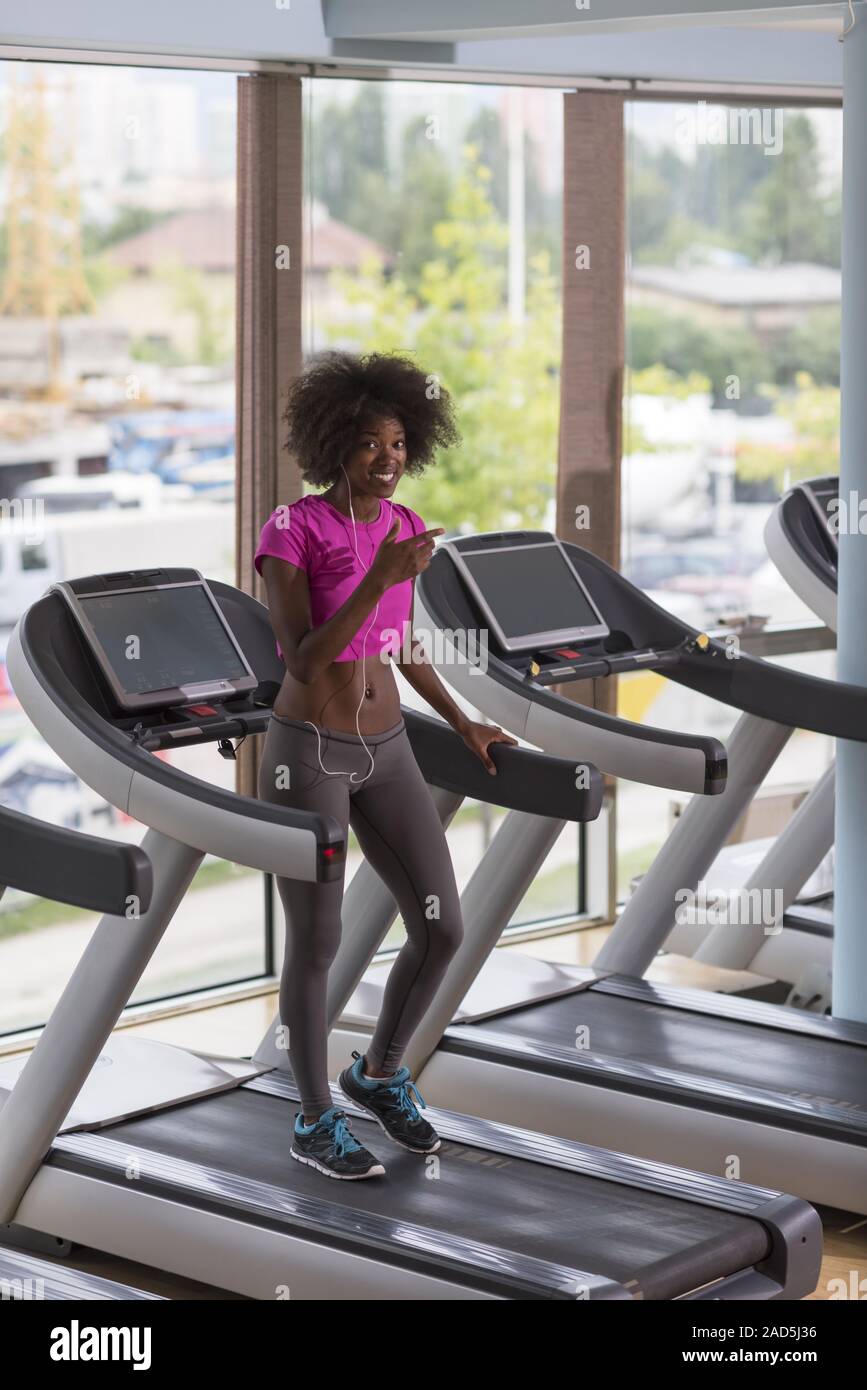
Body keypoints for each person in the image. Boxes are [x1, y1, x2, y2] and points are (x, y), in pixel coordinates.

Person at [255, 349, 516, 1180]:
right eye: (371, 443)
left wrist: (463, 719)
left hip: (389, 745)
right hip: (311, 752)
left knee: (442, 926)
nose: (389, 459)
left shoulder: (404, 531)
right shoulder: (290, 531)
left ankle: (377, 1073)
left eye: (400, 443)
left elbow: (399, 643)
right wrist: (374, 580)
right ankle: (311, 1119)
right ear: (335, 444)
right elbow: (301, 660)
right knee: (318, 941)